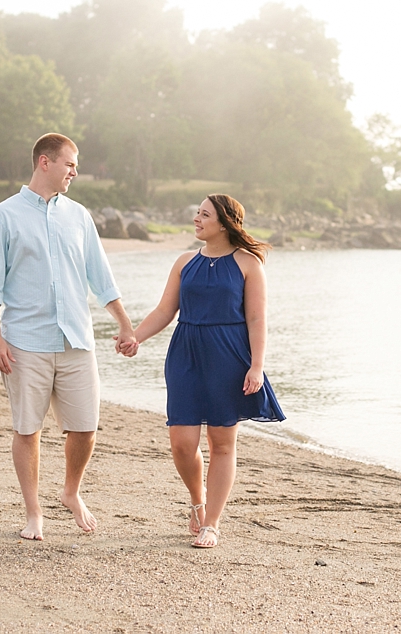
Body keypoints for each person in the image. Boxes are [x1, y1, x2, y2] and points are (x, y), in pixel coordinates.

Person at [0, 133, 135, 540]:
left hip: (76, 340)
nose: (75, 172)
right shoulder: (3, 216)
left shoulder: (79, 216)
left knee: (85, 427)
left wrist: (124, 323)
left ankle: (70, 491)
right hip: (24, 342)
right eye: (70, 164)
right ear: (44, 162)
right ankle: (34, 513)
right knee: (27, 429)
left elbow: (101, 278)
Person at [118, 194, 285, 548]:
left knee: (222, 443)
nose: (196, 218)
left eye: (204, 214)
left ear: (224, 223)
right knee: (182, 443)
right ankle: (198, 501)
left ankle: (212, 523)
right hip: (186, 355)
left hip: (229, 357)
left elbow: (257, 319)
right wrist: (135, 337)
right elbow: (165, 310)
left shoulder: (249, 264)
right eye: (197, 212)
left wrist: (257, 366)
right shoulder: (184, 262)